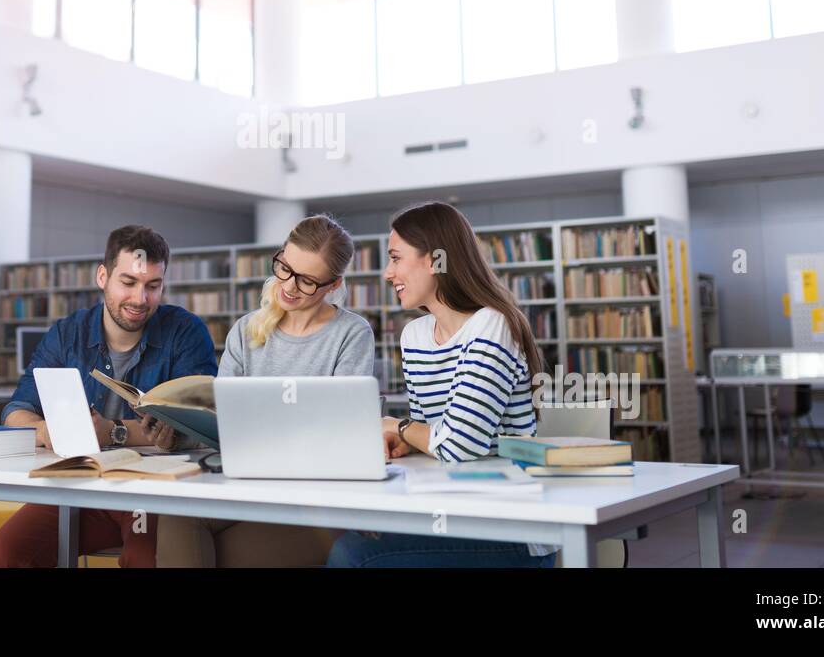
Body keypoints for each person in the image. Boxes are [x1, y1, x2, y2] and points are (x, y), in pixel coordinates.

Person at [327, 201, 557, 568]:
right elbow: (433, 438)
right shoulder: (415, 336)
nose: (388, 273)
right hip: (451, 512)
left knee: (352, 556)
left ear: (435, 260)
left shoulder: (492, 324)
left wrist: (396, 425)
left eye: (396, 258)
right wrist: (405, 441)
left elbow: (459, 443)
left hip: (512, 530)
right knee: (351, 536)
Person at [0, 225, 217, 568]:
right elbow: (16, 410)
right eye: (129, 283)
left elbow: (198, 424)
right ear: (102, 276)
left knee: (147, 560)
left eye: (153, 286)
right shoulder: (67, 333)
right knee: (2, 558)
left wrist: (112, 431)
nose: (140, 299)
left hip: (150, 492)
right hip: (78, 483)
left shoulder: (185, 332)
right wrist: (49, 431)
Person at [155, 214, 375, 567]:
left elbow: (345, 435)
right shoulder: (246, 331)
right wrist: (179, 436)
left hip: (312, 502)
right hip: (243, 487)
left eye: (306, 281)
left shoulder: (351, 334)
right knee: (177, 513)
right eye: (284, 268)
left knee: (217, 555)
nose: (287, 286)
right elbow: (219, 419)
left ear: (333, 285)